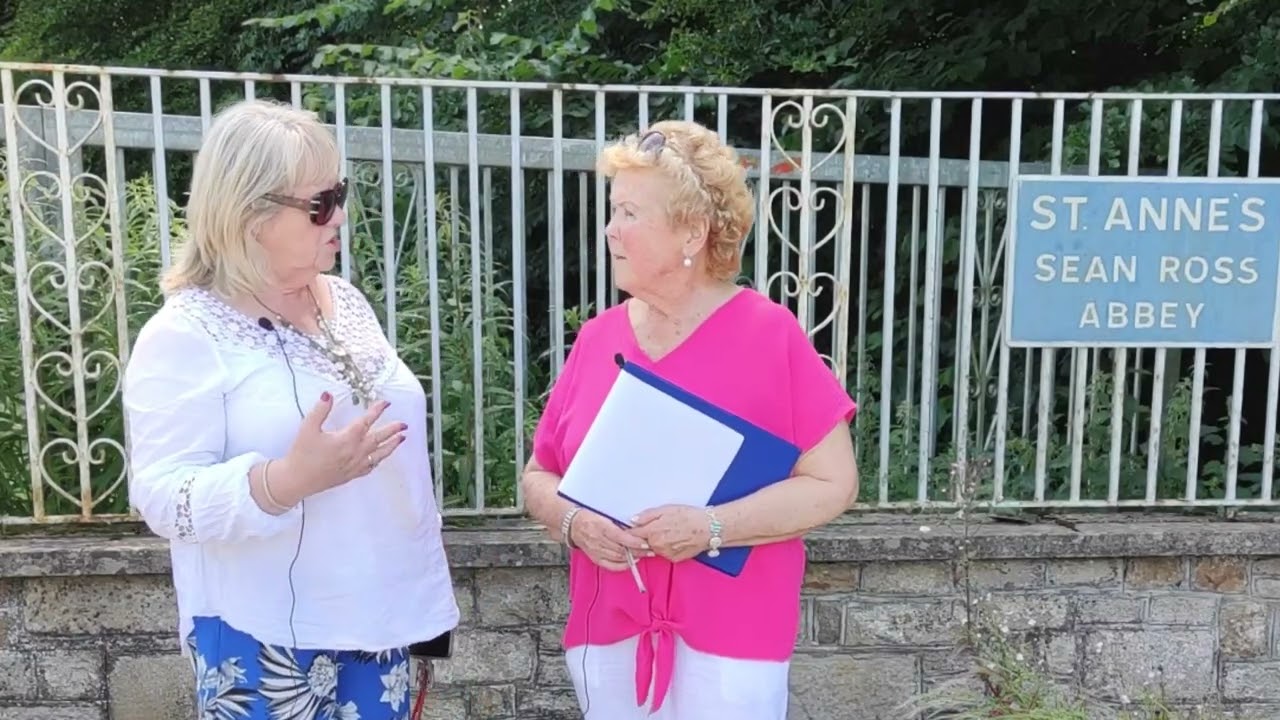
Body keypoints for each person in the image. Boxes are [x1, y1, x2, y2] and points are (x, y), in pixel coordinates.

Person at [122, 98, 459, 720]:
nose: (339, 216)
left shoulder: (347, 302)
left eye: (341, 192)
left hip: (376, 621)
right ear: (250, 214)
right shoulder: (186, 334)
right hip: (263, 633)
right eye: (319, 203)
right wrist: (283, 483)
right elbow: (162, 496)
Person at [520, 120, 860, 719]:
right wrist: (573, 521)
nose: (610, 230)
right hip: (609, 635)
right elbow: (538, 476)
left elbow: (834, 483)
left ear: (693, 232)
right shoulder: (599, 339)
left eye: (629, 213)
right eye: (612, 210)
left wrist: (711, 527)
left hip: (734, 644)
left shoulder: (768, 335)